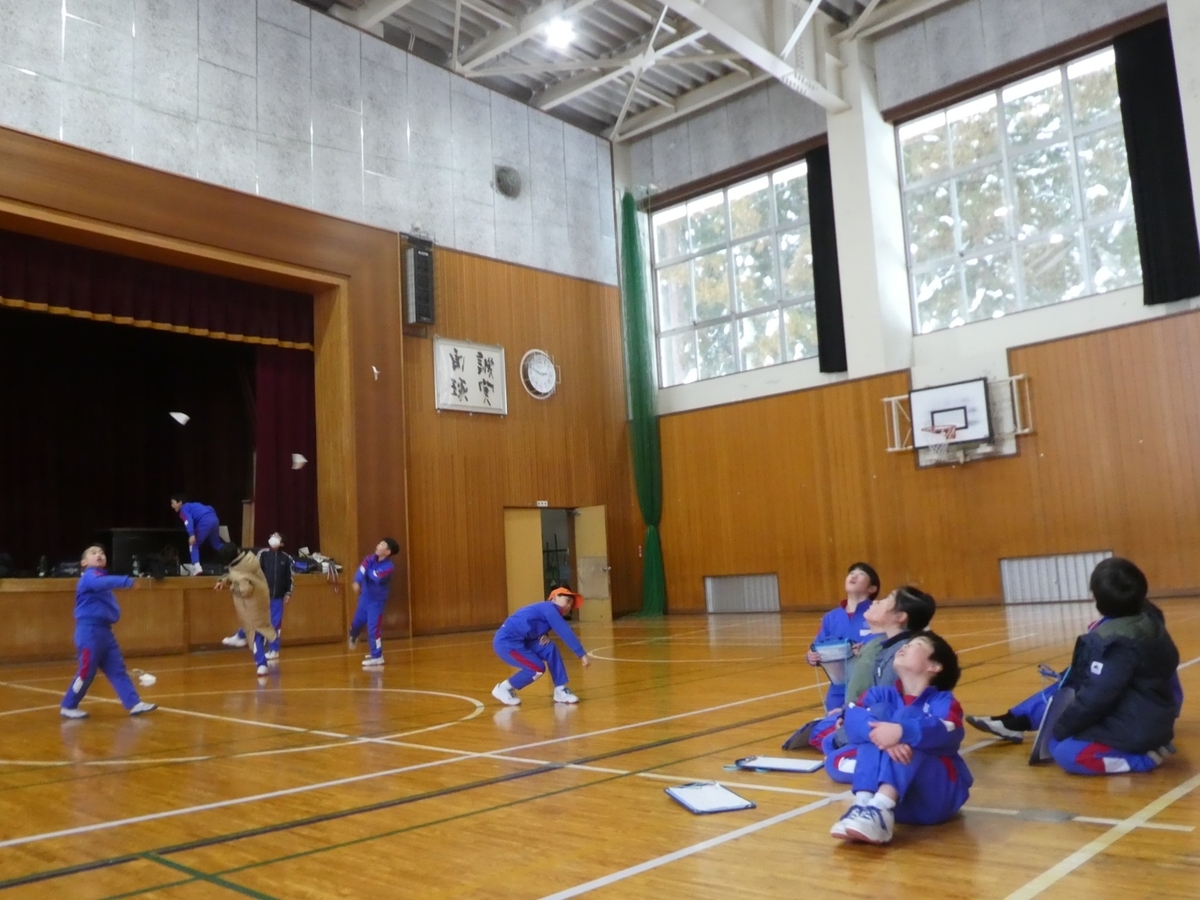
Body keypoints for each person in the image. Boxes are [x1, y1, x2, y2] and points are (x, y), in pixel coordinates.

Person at [968, 558, 1181, 775]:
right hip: (1145, 709)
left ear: (1096, 598)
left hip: (1140, 720)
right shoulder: (1147, 621)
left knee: (1065, 750)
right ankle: (1015, 720)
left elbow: (1097, 696)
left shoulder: (1115, 640)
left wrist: (1062, 727)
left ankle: (1143, 760)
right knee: (1068, 690)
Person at [830, 631, 971, 844]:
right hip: (901, 806)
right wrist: (882, 738)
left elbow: (948, 731)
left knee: (909, 717)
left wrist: (901, 732)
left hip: (935, 800)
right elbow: (852, 717)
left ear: (934, 666)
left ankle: (880, 808)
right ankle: (865, 804)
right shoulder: (879, 694)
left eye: (917, 644)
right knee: (875, 720)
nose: (903, 647)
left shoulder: (943, 700)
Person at [788, 585, 936, 755]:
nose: (878, 601)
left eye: (886, 600)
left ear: (900, 617)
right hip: (874, 718)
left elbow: (884, 705)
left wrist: (849, 718)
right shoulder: (884, 645)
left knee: (822, 737)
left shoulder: (900, 654)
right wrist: (847, 710)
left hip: (884, 725)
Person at [60, 545, 158, 719]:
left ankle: (134, 703)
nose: (99, 554)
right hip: (89, 632)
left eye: (101, 553)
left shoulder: (101, 581)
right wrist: (126, 581)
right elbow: (102, 582)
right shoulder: (90, 577)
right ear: (84, 562)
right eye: (93, 552)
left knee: (117, 669)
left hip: (105, 632)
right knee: (86, 672)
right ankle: (68, 705)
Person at [492, 587, 591, 706]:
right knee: (537, 668)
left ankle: (560, 689)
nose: (569, 605)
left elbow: (532, 621)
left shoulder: (547, 610)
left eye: (571, 604)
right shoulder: (549, 608)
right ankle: (504, 688)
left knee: (549, 648)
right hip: (507, 643)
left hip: (524, 641)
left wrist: (544, 633)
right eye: (567, 600)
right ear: (554, 598)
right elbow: (564, 630)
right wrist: (581, 654)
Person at [806, 562, 882, 714]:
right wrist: (811, 656)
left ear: (871, 589)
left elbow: (889, 642)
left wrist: (867, 648)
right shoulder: (831, 617)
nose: (853, 575)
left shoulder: (878, 611)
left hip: (869, 687)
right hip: (838, 689)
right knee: (833, 729)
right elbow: (817, 645)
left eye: (861, 574)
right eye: (851, 573)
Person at [222, 532, 294, 659]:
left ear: (282, 543)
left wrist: (288, 593)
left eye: (277, 537)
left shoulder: (286, 559)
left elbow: (290, 578)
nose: (273, 537)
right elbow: (252, 571)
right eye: (273, 535)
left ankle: (274, 649)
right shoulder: (263, 554)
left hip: (277, 597)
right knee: (255, 619)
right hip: (261, 595)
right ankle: (241, 635)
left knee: (274, 623)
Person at [214, 547, 277, 676]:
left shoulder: (239, 572)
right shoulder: (248, 560)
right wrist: (225, 580)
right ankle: (240, 636)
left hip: (254, 602)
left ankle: (261, 664)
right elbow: (236, 575)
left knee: (255, 632)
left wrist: (231, 587)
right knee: (255, 625)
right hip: (262, 598)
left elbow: (245, 589)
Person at [349, 538, 399, 668]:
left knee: (373, 628)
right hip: (364, 598)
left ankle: (377, 656)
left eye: (382, 545)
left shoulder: (388, 567)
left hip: (376, 602)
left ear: (387, 552)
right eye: (379, 543)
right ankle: (353, 636)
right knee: (356, 623)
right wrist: (357, 581)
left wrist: (367, 571)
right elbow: (361, 571)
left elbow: (376, 577)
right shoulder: (369, 559)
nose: (378, 545)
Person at [170, 493, 225, 575]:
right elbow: (210, 508)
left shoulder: (183, 509)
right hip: (214, 519)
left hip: (205, 522)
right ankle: (233, 557)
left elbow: (188, 521)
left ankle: (197, 567)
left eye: (173, 503)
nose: (172, 506)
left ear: (180, 502)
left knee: (193, 544)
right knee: (217, 545)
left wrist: (192, 534)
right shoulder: (194, 505)